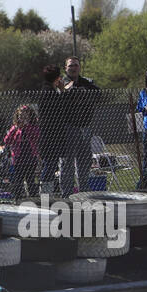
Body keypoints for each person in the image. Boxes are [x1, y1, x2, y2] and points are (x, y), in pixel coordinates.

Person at [58, 57, 99, 196]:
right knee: (67, 162)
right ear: (66, 68)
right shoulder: (62, 82)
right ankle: (67, 194)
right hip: (68, 127)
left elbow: (98, 94)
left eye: (76, 65)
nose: (73, 68)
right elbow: (63, 97)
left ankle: (84, 193)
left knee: (84, 161)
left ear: (79, 67)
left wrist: (82, 93)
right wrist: (75, 93)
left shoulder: (87, 82)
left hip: (85, 126)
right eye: (70, 66)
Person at [36, 65, 65, 193]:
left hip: (49, 134)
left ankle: (48, 192)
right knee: (50, 165)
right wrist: (62, 91)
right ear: (57, 78)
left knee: (51, 165)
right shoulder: (49, 92)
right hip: (51, 136)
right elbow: (61, 108)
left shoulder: (46, 90)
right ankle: (45, 193)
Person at [3, 104, 39, 199]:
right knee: (18, 178)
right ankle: (18, 197)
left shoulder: (33, 126)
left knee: (30, 178)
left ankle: (33, 197)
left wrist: (26, 126)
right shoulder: (15, 128)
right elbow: (7, 140)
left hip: (30, 155)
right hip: (18, 157)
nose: (23, 117)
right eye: (21, 115)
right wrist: (15, 129)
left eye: (25, 115)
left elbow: (35, 135)